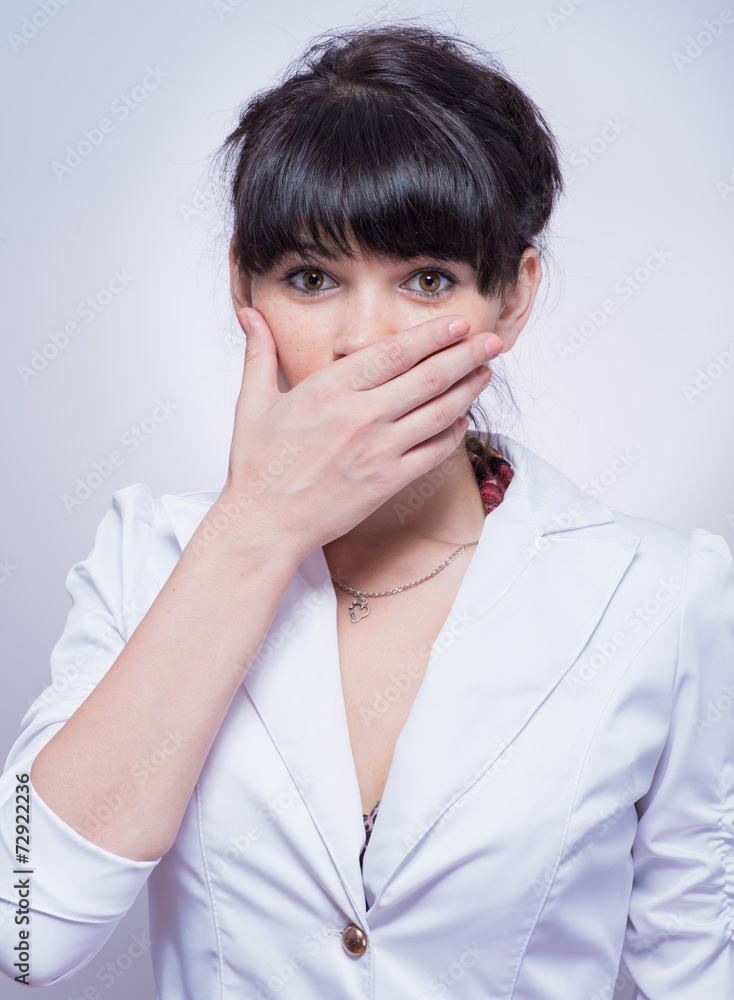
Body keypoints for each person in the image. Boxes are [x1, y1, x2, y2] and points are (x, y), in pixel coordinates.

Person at [1, 22, 733, 999]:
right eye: (311, 278)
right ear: (240, 286)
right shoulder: (153, 554)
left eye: (425, 279)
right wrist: (256, 524)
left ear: (510, 299)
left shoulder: (666, 592)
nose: (361, 340)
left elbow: (693, 970)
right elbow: (21, 923)